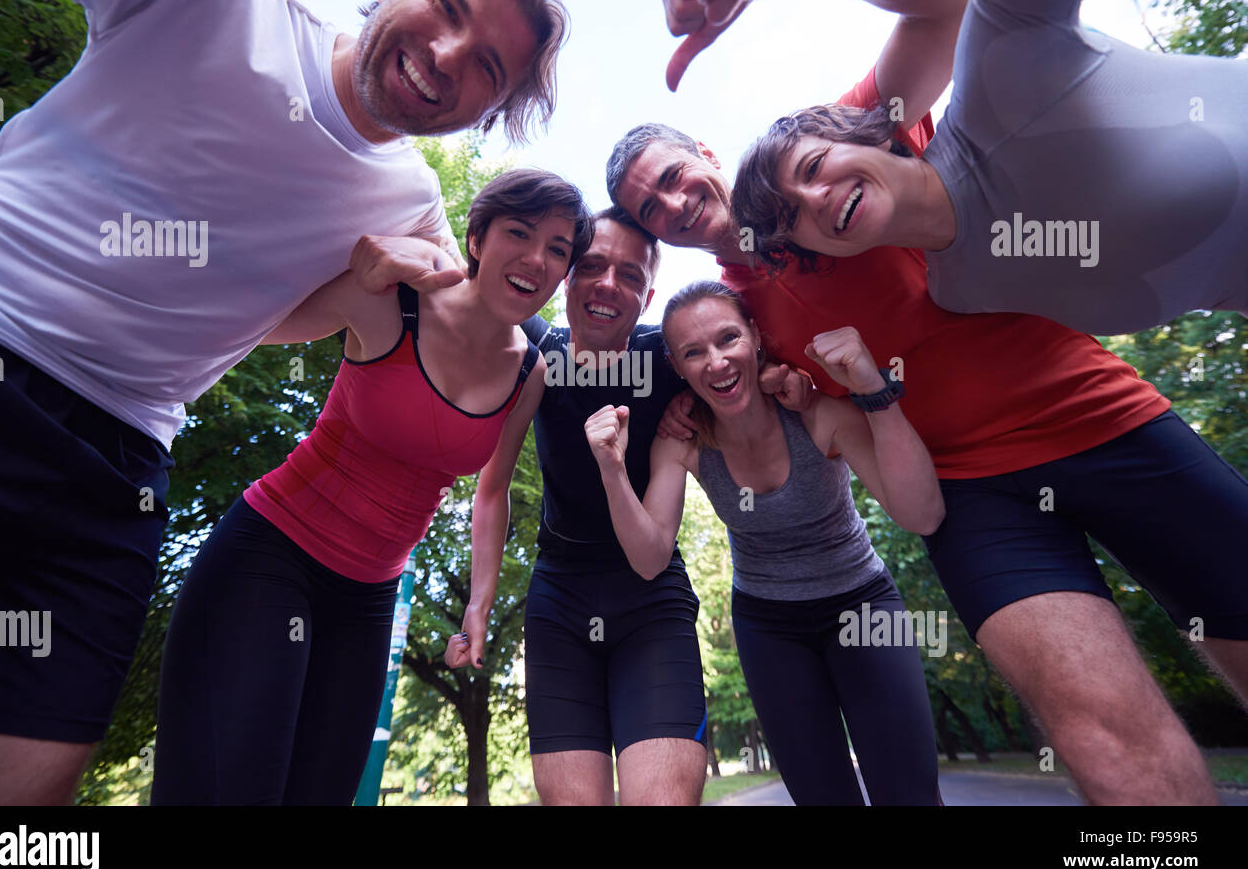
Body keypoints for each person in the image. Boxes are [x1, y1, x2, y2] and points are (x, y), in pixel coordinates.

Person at [612, 0, 1248, 805]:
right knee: (1103, 743)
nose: (678, 204)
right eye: (654, 210)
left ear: (704, 154)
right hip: (976, 499)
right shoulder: (735, 328)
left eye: (677, 178)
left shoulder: (831, 155)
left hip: (1105, 422)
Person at [0, 0, 567, 804]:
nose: (447, 56)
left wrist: (364, 280)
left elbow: (281, 320)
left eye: (489, 70)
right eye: (450, 6)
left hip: (112, 465)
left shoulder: (410, 210)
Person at [150, 169, 592, 804]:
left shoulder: (530, 369)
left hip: (366, 603)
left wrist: (479, 604)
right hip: (269, 559)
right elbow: (249, 321)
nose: (536, 259)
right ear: (475, 238)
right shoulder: (394, 299)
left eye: (558, 248)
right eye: (519, 233)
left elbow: (491, 491)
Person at [730, 0, 1248, 335]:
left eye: (813, 167)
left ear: (870, 133)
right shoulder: (959, 291)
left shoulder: (997, 79)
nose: (815, 198)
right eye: (791, 216)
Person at [586, 280, 944, 805]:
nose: (716, 362)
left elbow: (922, 515)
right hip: (769, 624)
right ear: (677, 366)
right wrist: (612, 471)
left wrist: (872, 387)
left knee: (909, 793)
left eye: (728, 338)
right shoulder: (682, 440)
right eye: (693, 352)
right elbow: (649, 558)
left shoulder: (816, 412)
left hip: (861, 603)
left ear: (755, 336)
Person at [449, 208, 719, 805]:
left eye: (629, 275)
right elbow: (490, 488)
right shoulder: (533, 352)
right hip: (560, 600)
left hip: (651, 599)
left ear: (648, 295)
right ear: (567, 278)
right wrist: (479, 604)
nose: (606, 285)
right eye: (592, 266)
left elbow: (750, 360)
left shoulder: (672, 359)